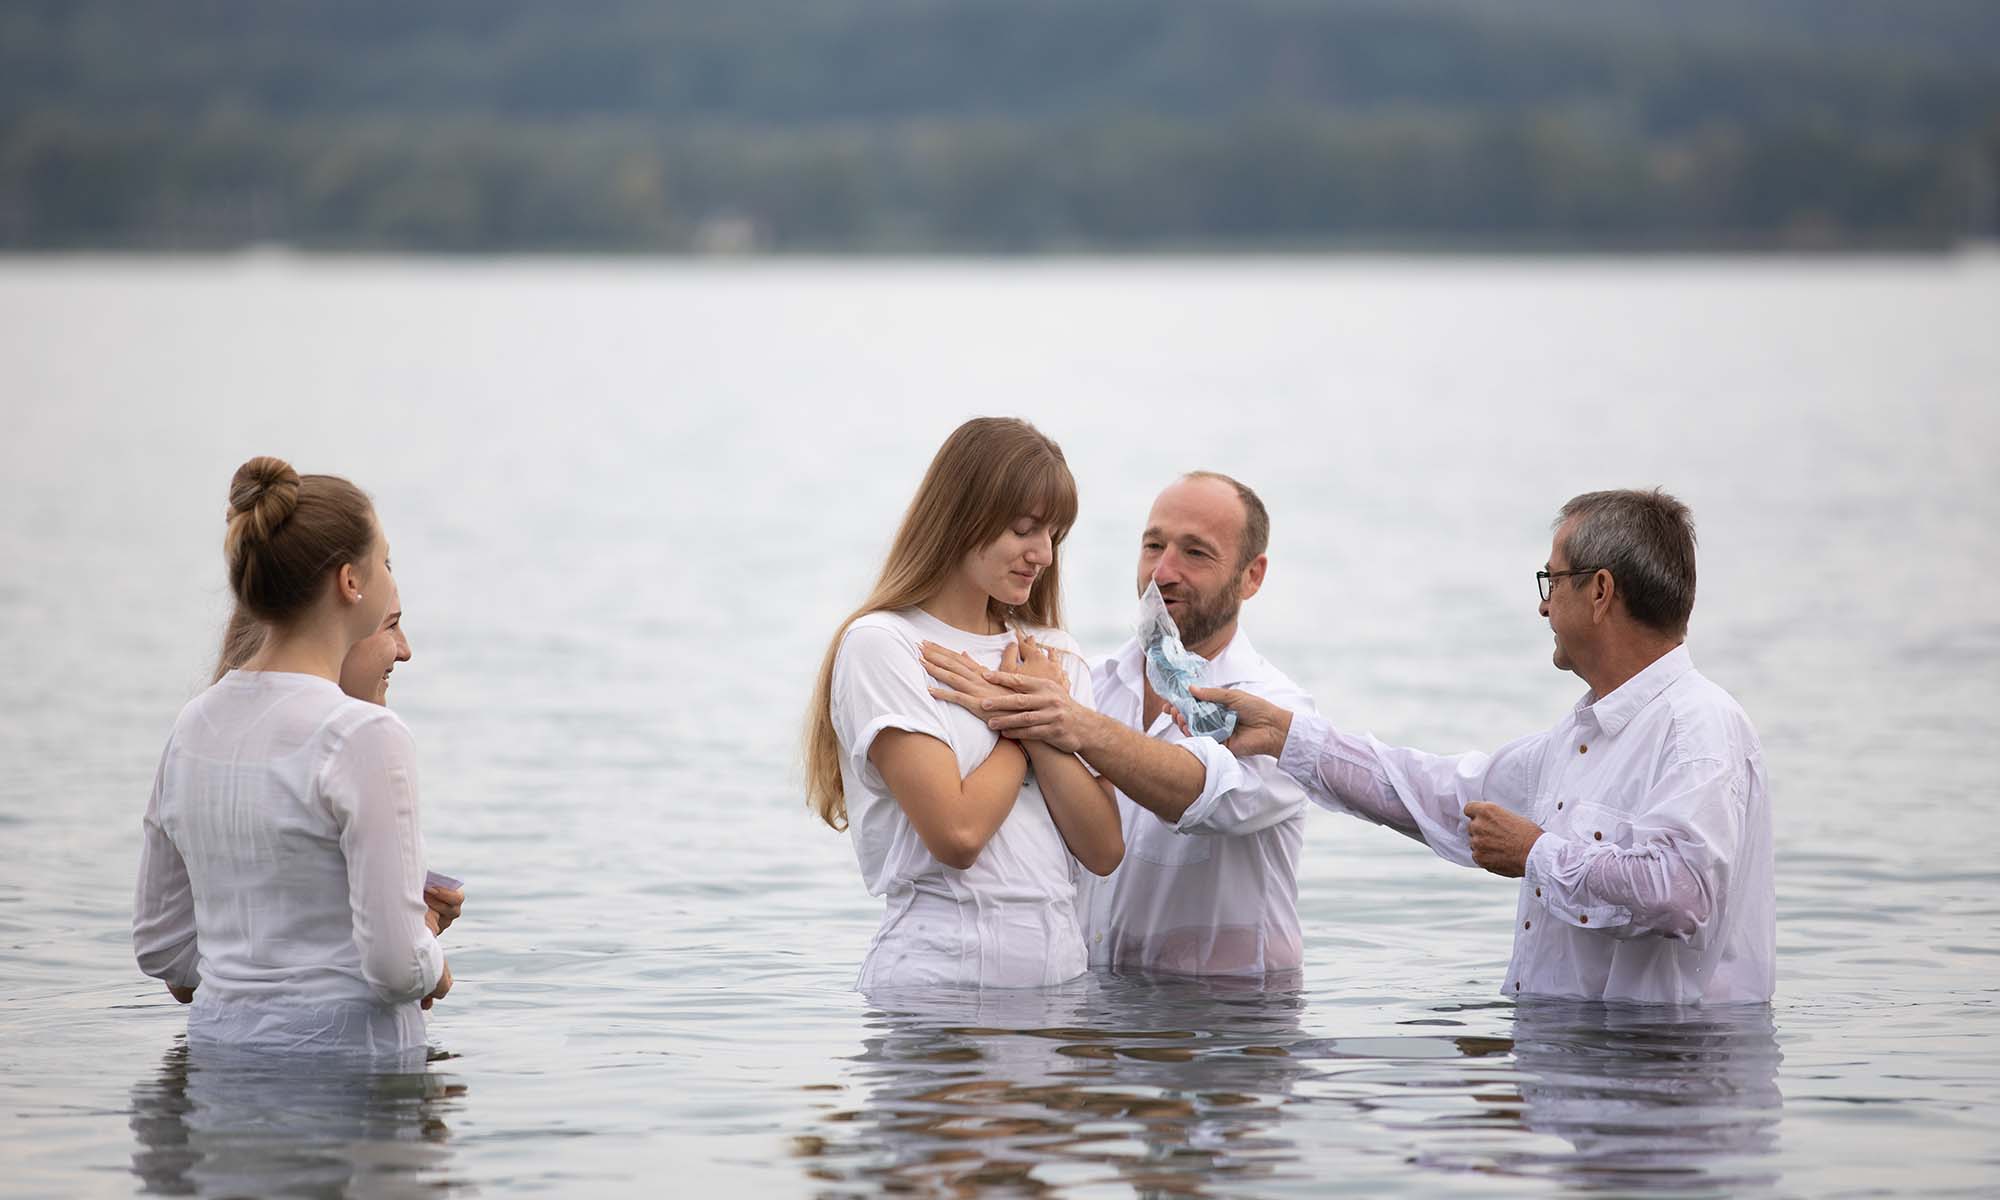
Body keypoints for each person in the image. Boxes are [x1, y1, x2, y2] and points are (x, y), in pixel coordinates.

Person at [1197, 489, 1774, 1005]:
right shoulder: (1579, 740)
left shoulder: (1700, 728)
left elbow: (1681, 891)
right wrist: (1286, 735)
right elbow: (1442, 794)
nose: (1543, 607)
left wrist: (1536, 853)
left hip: (1672, 1090)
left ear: (1600, 591)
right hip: (1582, 1077)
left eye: (1552, 581)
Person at [927, 472, 1315, 976]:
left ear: (1252, 576)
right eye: (1153, 545)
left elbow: (1202, 795)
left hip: (1232, 1024)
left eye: (1196, 553)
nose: (1163, 571)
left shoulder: (1281, 711)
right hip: (1094, 1016)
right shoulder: (1088, 684)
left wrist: (1065, 722)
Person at [134, 456, 451, 1055]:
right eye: (385, 559)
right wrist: (426, 947)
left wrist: (259, 977)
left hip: (220, 1066)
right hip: (349, 1081)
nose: (389, 573)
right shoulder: (366, 734)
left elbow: (161, 945)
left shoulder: (192, 725)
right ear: (350, 582)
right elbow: (394, 965)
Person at [805, 417, 1123, 990]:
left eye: (1055, 534)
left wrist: (1039, 715)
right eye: (1025, 529)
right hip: (938, 990)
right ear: (961, 519)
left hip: (1060, 990)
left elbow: (1102, 850)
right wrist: (1022, 724)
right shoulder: (886, 644)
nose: (1044, 554)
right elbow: (957, 836)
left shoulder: (1051, 656)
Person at [211, 596, 463, 935]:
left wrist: (408, 912)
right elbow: (397, 973)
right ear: (336, 631)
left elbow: (177, 969)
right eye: (391, 625)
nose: (405, 650)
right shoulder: (370, 740)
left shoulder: (204, 740)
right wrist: (419, 933)